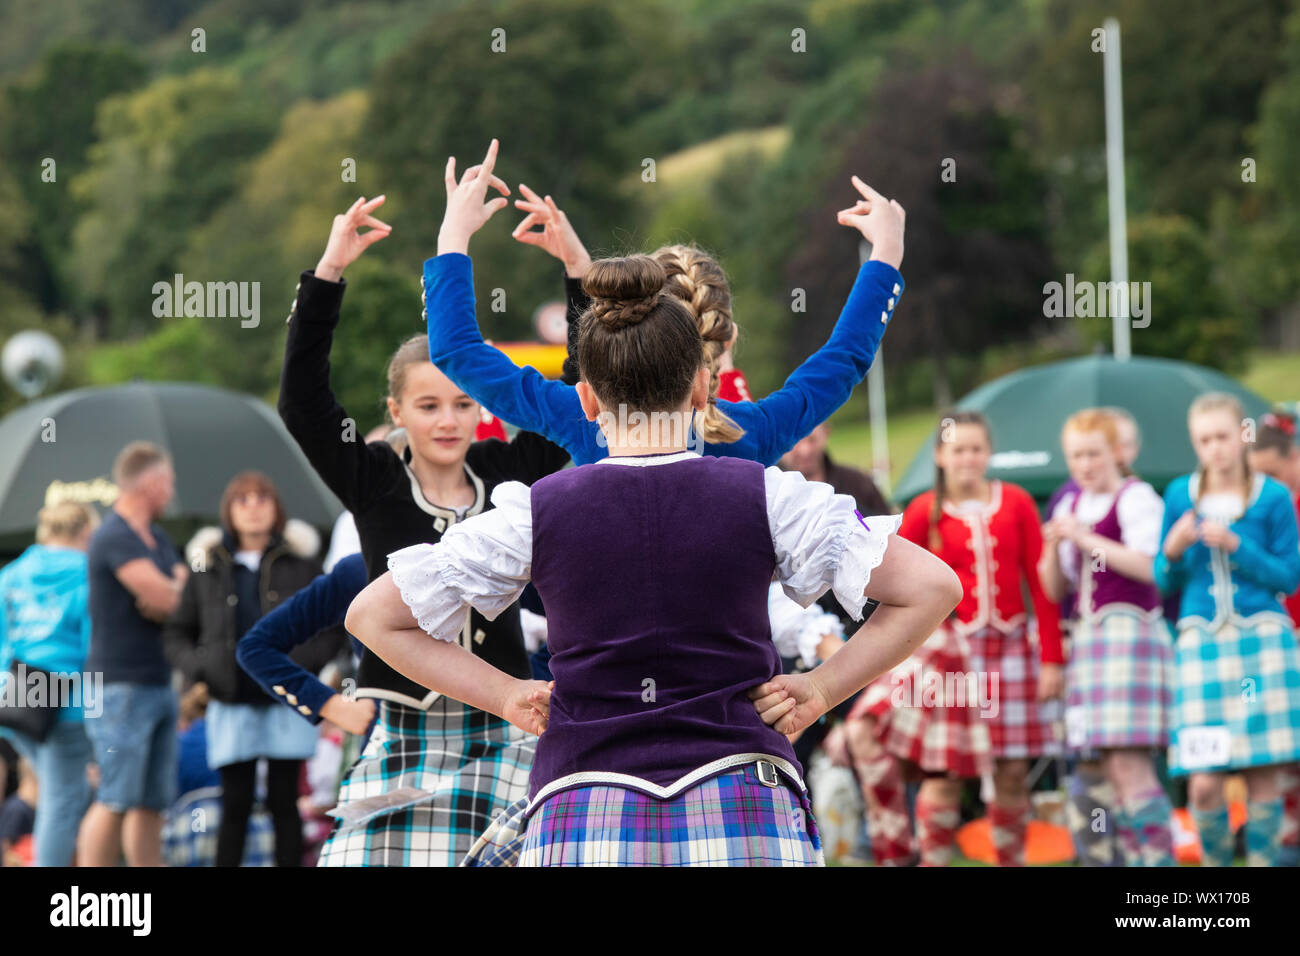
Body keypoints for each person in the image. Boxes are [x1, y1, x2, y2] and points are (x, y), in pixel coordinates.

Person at [347, 253, 961, 866]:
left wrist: (507, 695)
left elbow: (372, 618)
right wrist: (822, 688)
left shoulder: (538, 511)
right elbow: (933, 587)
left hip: (585, 807)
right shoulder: (766, 495)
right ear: (700, 385)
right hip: (743, 802)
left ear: (586, 400)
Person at [277, 193, 572, 866]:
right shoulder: (373, 477)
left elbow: (582, 396)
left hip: (503, 721)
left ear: (482, 410)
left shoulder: (509, 473)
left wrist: (575, 271)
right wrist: (328, 271)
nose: (447, 420)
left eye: (463, 404)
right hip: (404, 729)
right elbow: (301, 400)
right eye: (428, 405)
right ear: (396, 411)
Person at [425, 140, 906, 467]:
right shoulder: (753, 431)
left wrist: (453, 235)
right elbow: (845, 358)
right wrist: (885, 257)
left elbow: (457, 352)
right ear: (725, 335)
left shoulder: (587, 419)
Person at [850, 411, 1064, 866]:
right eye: (958, 449)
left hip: (1010, 651)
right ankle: (934, 859)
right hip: (950, 659)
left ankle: (1011, 858)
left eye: (976, 449)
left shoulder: (1018, 503)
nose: (968, 459)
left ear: (988, 453)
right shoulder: (924, 510)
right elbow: (897, 590)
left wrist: (1051, 658)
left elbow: (1040, 585)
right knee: (943, 770)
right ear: (941, 455)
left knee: (1010, 769)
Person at [163, 471, 344, 867]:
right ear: (228, 510)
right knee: (236, 801)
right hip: (230, 699)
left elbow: (334, 625)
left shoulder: (303, 564)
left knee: (284, 800)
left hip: (286, 698)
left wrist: (301, 665)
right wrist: (201, 667)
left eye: (262, 498)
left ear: (276, 508)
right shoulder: (206, 567)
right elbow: (177, 631)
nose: (253, 507)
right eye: (242, 499)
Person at [1155, 392, 1300, 866]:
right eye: (1203, 439)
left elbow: (1288, 577)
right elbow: (1162, 580)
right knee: (1203, 779)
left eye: (1222, 437)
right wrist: (1172, 551)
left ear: (1242, 438)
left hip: (1263, 641)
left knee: (1264, 771)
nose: (1214, 448)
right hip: (1201, 642)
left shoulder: (1273, 496)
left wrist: (1239, 545)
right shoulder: (1180, 494)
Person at [1039, 409, 1175, 866]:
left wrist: (1084, 538)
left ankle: (1156, 864)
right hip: (1090, 640)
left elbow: (1149, 567)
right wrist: (1054, 548)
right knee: (1096, 767)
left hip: (1130, 636)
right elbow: (1054, 589)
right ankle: (1110, 859)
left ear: (1120, 452)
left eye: (1094, 453)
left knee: (1129, 763)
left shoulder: (1137, 498)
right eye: (1076, 456)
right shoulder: (1069, 505)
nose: (1084, 465)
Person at [80, 442, 186, 867]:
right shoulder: (113, 536)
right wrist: (167, 594)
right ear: (153, 482)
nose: (172, 490)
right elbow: (167, 598)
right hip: (118, 687)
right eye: (169, 482)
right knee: (115, 796)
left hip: (157, 682)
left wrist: (167, 595)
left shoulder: (156, 538)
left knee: (149, 802)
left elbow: (178, 595)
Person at [0, 502, 100, 866]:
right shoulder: (90, 574)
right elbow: (95, 651)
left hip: (18, 699)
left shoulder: (11, 574)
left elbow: (1, 641)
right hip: (68, 702)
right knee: (63, 802)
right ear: (86, 531)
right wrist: (99, 711)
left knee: (64, 796)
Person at [1246, 409, 1300, 866]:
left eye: (1273, 472)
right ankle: (1285, 847)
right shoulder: (1271, 503)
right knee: (1283, 751)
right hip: (1280, 640)